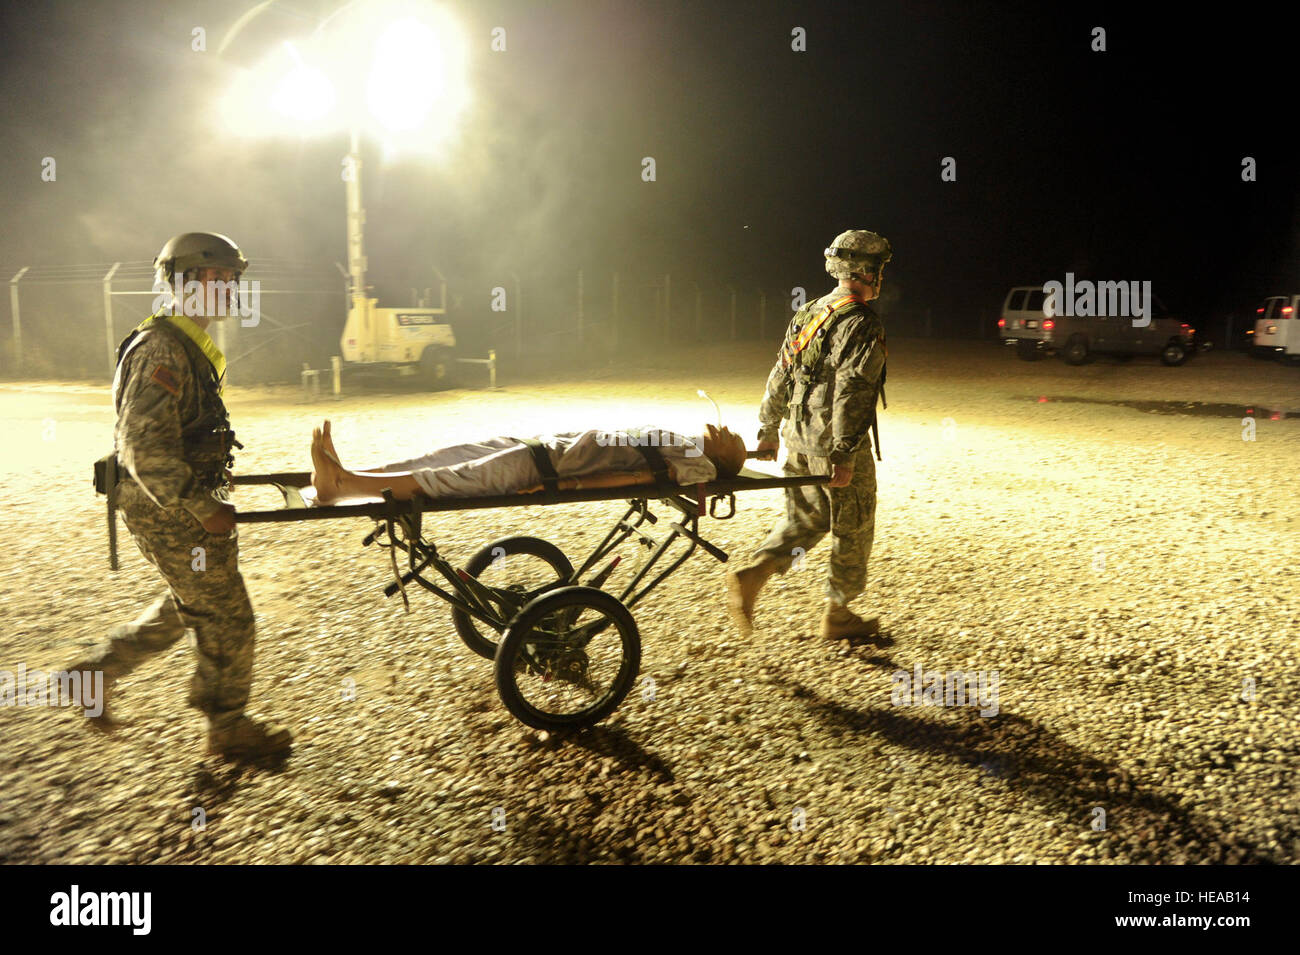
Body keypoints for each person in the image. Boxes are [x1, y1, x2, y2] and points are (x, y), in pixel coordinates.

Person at [68, 232, 292, 760]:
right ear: (183, 283)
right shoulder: (162, 347)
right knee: (228, 614)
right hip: (163, 503)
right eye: (218, 279)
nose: (230, 289)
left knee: (192, 602)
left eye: (233, 279)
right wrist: (203, 505)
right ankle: (228, 726)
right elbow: (144, 448)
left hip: (168, 497)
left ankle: (96, 672)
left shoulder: (189, 343)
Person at [726, 228, 892, 641]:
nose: (882, 277)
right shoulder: (861, 322)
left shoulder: (811, 312)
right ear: (868, 270)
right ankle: (838, 614)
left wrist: (768, 429)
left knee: (807, 518)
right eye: (880, 269)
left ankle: (754, 573)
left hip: (798, 435)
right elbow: (854, 389)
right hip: (832, 441)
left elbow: (781, 371)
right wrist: (844, 452)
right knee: (852, 524)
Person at [308, 421, 747, 504]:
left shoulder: (700, 467)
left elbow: (636, 476)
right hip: (550, 445)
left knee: (454, 478)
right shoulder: (689, 442)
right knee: (446, 457)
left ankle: (343, 486)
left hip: (552, 467)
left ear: (721, 460)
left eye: (731, 440)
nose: (724, 430)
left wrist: (566, 487)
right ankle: (350, 473)